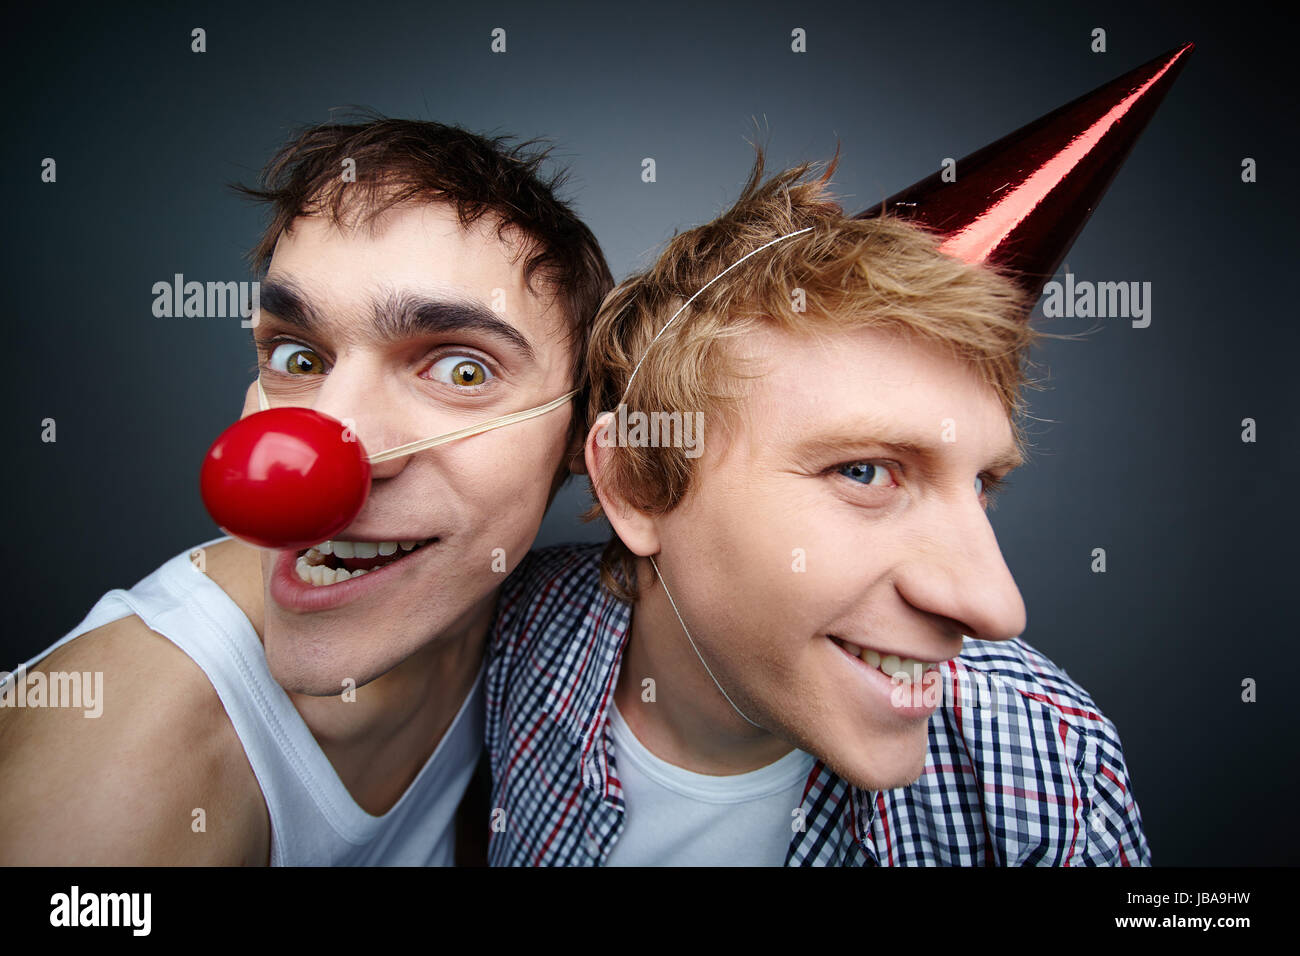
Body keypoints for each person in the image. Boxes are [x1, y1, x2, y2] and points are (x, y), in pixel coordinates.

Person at [485, 148, 1152, 865]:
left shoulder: (1050, 764)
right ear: (637, 486)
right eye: (865, 471)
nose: (995, 609)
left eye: (982, 483)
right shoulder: (502, 640)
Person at [0, 115, 613, 865]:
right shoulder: (123, 792)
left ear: (584, 432)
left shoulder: (536, 633)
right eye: (297, 355)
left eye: (461, 370)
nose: (333, 444)